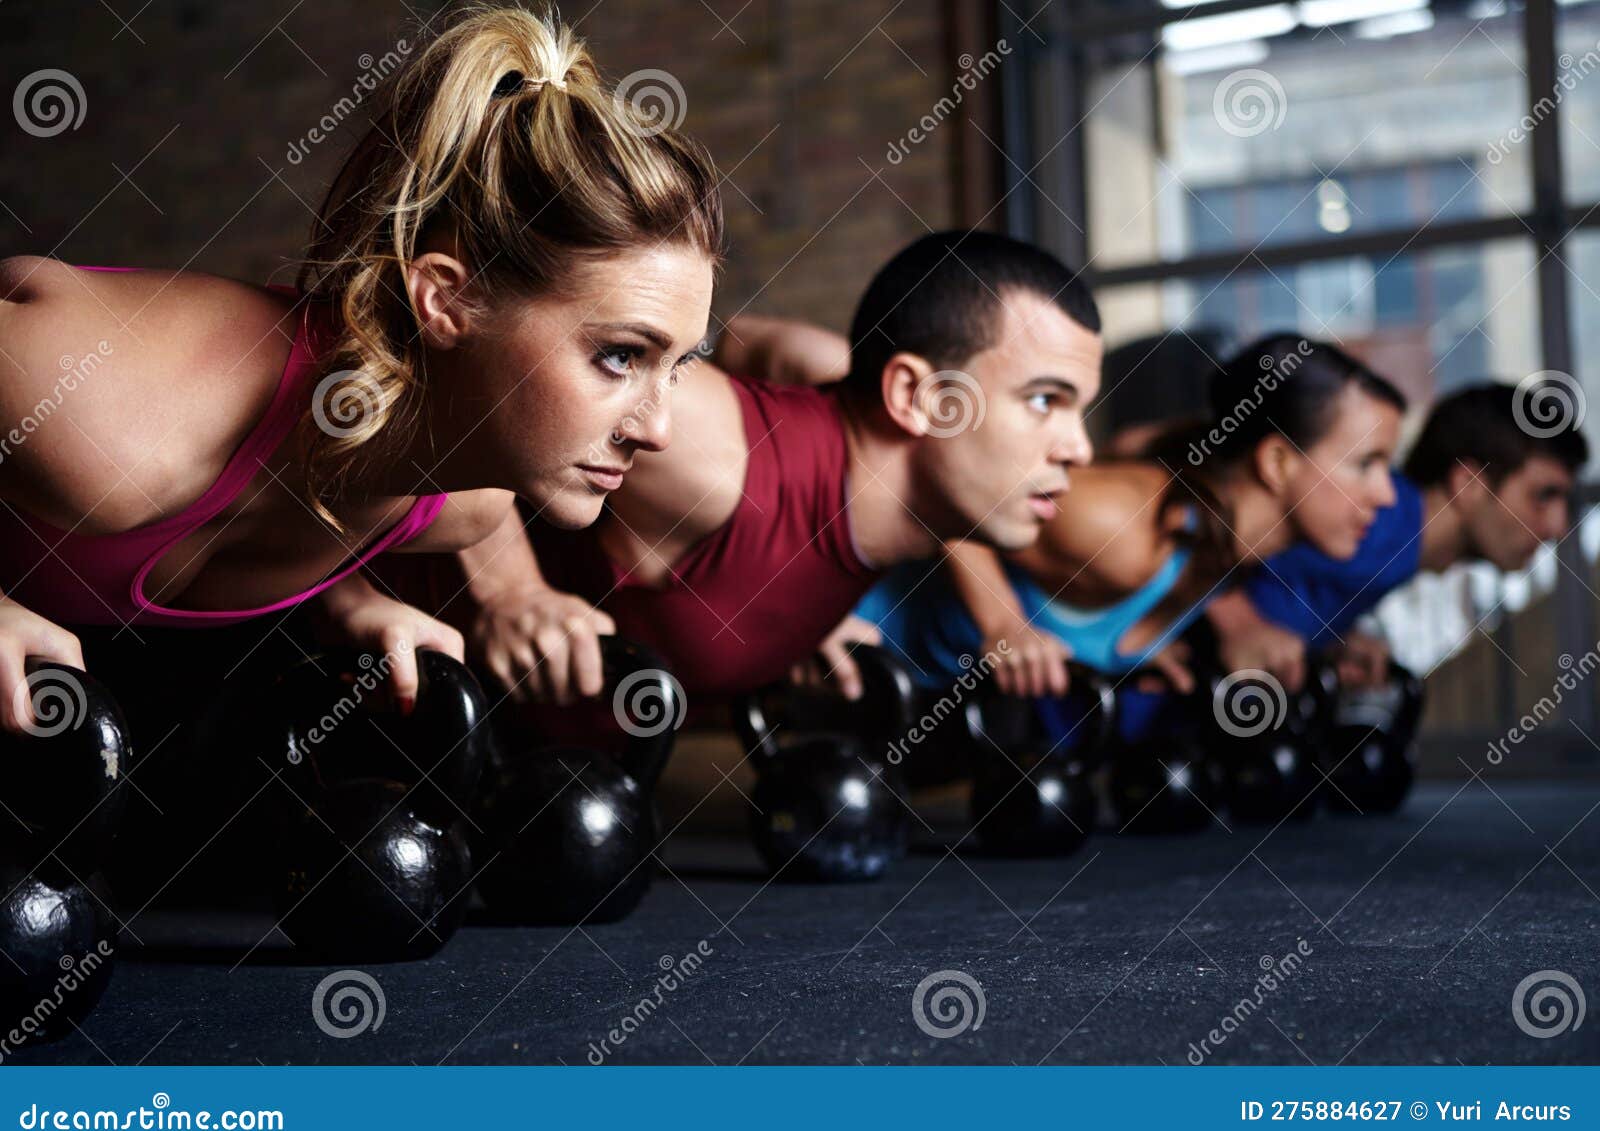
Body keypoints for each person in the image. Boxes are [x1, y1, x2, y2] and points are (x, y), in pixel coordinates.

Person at [0, 7, 722, 731]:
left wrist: (346, 603)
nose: (658, 429)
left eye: (678, 365)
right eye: (621, 355)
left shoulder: (465, 507)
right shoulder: (108, 419)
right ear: (448, 299)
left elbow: (263, 513)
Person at [449, 230, 1103, 705]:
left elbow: (749, 337)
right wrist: (511, 590)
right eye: (1045, 401)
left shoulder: (869, 522)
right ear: (915, 397)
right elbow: (465, 379)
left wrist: (795, 617)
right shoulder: (708, 452)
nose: (1080, 449)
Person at [849, 335, 1409, 714]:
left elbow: (1135, 445)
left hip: (886, 704)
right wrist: (1004, 621)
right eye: (1367, 463)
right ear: (1278, 463)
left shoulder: (1227, 553)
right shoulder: (1128, 528)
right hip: (829, 630)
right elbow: (935, 475)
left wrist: (1137, 647)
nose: (1386, 495)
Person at [1207, 382, 1589, 690]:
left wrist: (1331, 642)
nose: (1557, 525)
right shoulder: (1377, 523)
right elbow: (1201, 522)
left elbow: (1285, 584)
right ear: (1469, 484)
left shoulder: (1396, 546)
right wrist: (1238, 623)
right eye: (1543, 496)